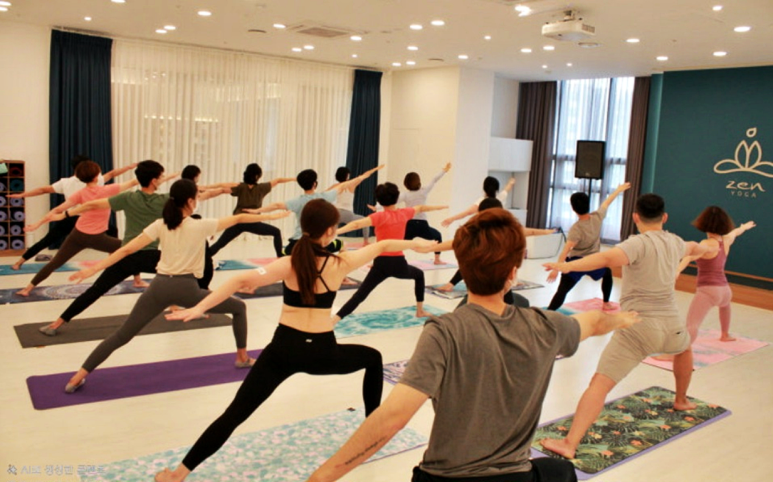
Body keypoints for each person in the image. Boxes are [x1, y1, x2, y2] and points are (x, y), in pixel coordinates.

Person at [305, 208, 640, 482]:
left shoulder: (444, 332)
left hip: (443, 478)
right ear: (513, 273)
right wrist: (621, 320)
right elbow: (594, 322)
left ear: (461, 269)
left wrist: (323, 475)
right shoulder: (546, 326)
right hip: (514, 478)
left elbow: (393, 417)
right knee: (562, 472)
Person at [153, 199, 437, 482]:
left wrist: (199, 308)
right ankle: (370, 431)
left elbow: (239, 281)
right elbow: (385, 246)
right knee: (372, 358)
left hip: (283, 351)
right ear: (329, 231)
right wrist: (417, 244)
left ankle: (178, 474)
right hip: (323, 353)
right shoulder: (341, 262)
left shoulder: (289, 263)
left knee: (234, 414)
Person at [62, 179, 290, 393]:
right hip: (187, 290)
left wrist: (93, 269)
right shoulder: (200, 225)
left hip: (158, 287)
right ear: (191, 201)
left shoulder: (161, 224)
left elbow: (126, 249)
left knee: (122, 334)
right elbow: (239, 219)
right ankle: (242, 357)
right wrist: (272, 218)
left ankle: (78, 376)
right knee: (239, 308)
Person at [539, 193, 715, 460]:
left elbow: (605, 259)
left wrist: (565, 265)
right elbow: (698, 248)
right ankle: (681, 399)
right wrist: (713, 246)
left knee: (600, 383)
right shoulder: (676, 242)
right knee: (684, 348)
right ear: (664, 217)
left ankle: (570, 443)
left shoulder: (636, 244)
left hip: (637, 327)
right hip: (672, 325)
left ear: (635, 217)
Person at [36, 160, 175, 336]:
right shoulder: (164, 200)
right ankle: (188, 307)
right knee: (180, 275)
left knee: (96, 290)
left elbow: (91, 205)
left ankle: (56, 324)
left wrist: (64, 214)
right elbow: (196, 196)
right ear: (154, 180)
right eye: (161, 177)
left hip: (126, 256)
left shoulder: (128, 198)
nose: (162, 179)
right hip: (151, 256)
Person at [16, 161, 140, 296]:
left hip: (77, 235)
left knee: (55, 263)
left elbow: (58, 209)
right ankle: (137, 280)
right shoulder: (107, 189)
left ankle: (27, 288)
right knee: (132, 248)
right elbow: (134, 182)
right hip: (97, 238)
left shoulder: (80, 193)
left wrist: (38, 224)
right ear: (97, 176)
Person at [332, 182, 447, 322]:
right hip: (398, 264)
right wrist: (438, 207)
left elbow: (356, 224)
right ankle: (420, 310)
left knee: (361, 294)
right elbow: (421, 207)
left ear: (379, 200)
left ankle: (335, 319)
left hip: (380, 263)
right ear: (397, 197)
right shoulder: (404, 213)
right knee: (419, 275)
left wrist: (336, 231)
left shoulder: (379, 216)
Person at [252, 167, 382, 256]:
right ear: (315, 184)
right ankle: (341, 276)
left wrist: (257, 210)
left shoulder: (297, 201)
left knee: (286, 253)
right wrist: (368, 173)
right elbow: (348, 183)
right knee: (342, 245)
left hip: (298, 243)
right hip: (318, 243)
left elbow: (276, 205)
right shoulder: (324, 197)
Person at [436, 197, 554, 294]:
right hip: (488, 282)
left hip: (495, 280)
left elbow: (528, 232)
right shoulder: (480, 230)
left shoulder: (502, 230)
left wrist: (545, 232)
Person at [545, 182, 631, 311]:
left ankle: (549, 313)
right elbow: (607, 202)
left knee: (562, 290)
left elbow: (566, 249)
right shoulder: (597, 217)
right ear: (588, 205)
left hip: (576, 263)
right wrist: (618, 190)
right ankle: (606, 303)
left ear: (573, 209)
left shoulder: (576, 228)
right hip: (594, 261)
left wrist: (557, 268)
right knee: (607, 273)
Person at [680, 206, 755, 343]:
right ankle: (725, 335)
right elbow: (736, 232)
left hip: (708, 290)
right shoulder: (726, 239)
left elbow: (689, 257)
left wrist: (677, 270)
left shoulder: (707, 244)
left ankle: (678, 355)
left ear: (703, 223)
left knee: (692, 324)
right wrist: (744, 227)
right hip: (725, 290)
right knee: (725, 306)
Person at [206, 163, 295, 258]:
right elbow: (278, 180)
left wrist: (205, 190)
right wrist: (294, 179)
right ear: (257, 176)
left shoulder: (241, 186)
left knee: (220, 243)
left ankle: (203, 259)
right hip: (252, 222)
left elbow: (223, 190)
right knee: (276, 232)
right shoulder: (261, 188)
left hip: (238, 221)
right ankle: (279, 256)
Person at [400, 163, 451, 264]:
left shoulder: (405, 195)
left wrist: (376, 207)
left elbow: (392, 201)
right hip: (422, 225)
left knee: (398, 243)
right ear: (418, 182)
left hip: (409, 224)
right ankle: (437, 260)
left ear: (406, 184)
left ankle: (397, 260)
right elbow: (434, 180)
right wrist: (444, 170)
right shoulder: (423, 191)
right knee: (438, 236)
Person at [325, 165, 385, 245]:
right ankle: (366, 241)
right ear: (347, 176)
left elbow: (323, 195)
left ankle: (328, 242)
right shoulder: (351, 184)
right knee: (365, 220)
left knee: (333, 229)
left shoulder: (334, 186)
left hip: (336, 213)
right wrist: (376, 169)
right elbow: (364, 175)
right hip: (348, 214)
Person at [440, 175, 515, 228]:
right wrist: (511, 182)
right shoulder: (500, 197)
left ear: (484, 188)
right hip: (498, 229)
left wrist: (452, 219)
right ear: (497, 188)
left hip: (484, 230)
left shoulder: (481, 201)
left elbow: (466, 213)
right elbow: (507, 189)